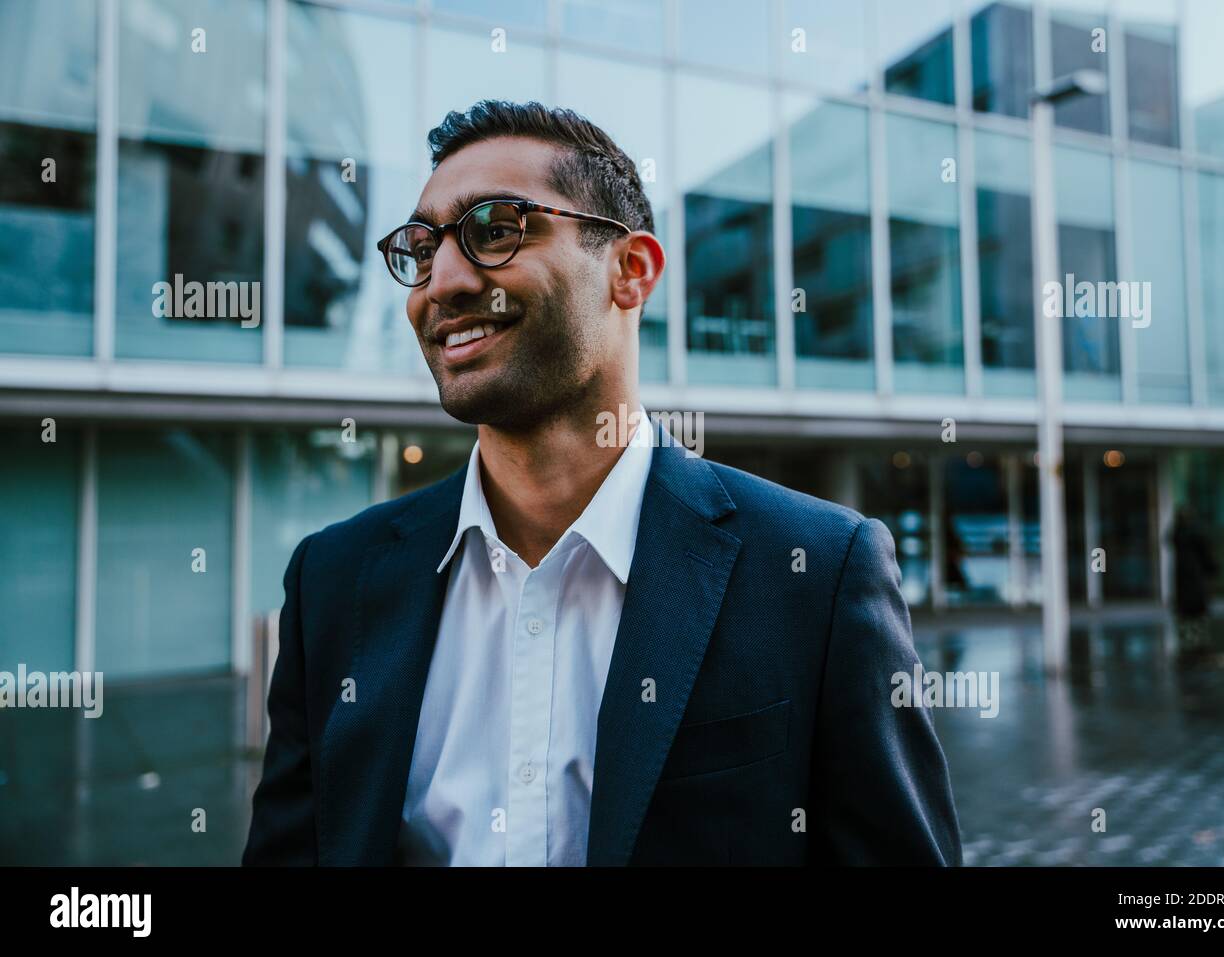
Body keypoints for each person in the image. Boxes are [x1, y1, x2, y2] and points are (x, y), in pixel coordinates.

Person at [242, 100, 961, 867]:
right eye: (421, 251)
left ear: (630, 270)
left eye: (494, 230)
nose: (440, 284)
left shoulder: (817, 571)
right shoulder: (333, 582)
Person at [1169, 503, 1219, 669]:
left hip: (1185, 579)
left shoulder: (1178, 534)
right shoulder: (1195, 534)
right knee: (1197, 612)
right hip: (1194, 578)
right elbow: (1207, 557)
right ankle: (1198, 642)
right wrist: (1211, 569)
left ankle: (1190, 642)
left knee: (1187, 613)